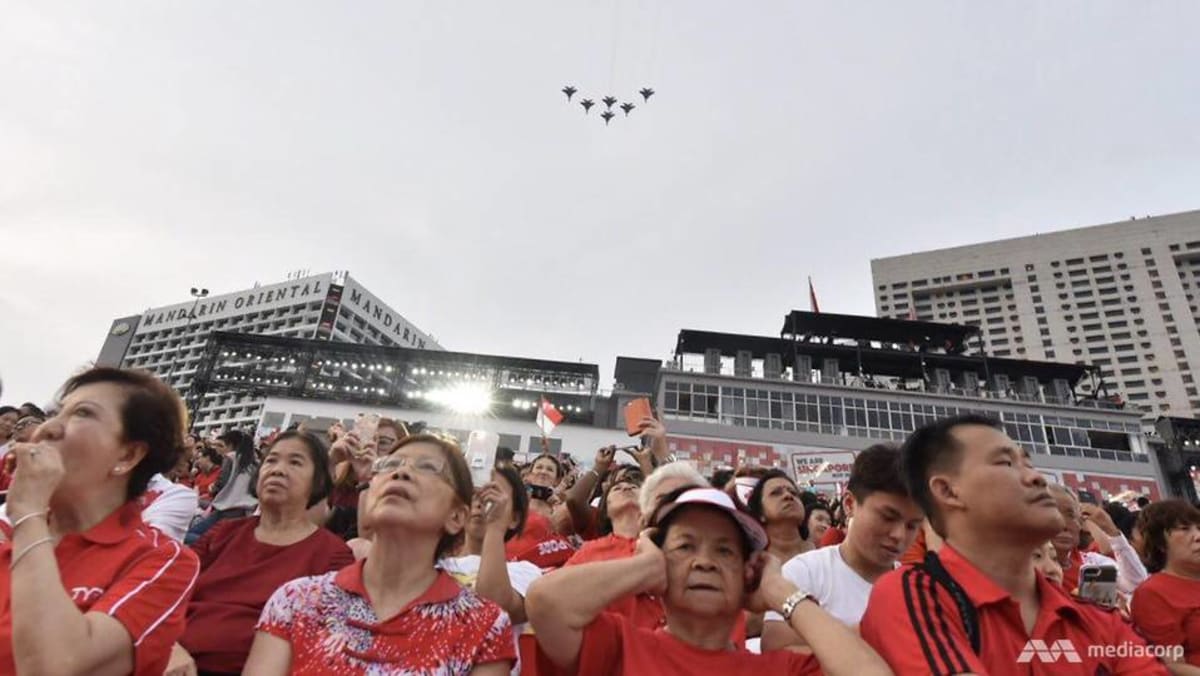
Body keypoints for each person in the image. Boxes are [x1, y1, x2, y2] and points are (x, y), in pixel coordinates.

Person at [860, 414, 1167, 675]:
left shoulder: (1098, 619)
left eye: (1029, 463)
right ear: (947, 491)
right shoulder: (916, 594)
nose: (1036, 478)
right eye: (1006, 462)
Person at [525, 486, 892, 676]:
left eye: (725, 551)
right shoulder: (620, 646)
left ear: (749, 573)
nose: (704, 562)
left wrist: (780, 590)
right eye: (685, 547)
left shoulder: (778, 670)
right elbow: (546, 603)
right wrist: (646, 567)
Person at [244, 433, 516, 675]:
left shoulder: (484, 625)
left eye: (428, 467)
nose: (401, 472)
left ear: (456, 517)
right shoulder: (296, 601)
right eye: (389, 464)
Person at [0, 367, 200, 675]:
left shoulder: (163, 561)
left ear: (127, 456)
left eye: (82, 413)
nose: (48, 428)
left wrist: (29, 512)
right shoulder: (8, 540)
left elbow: (51, 665)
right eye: (56, 413)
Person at [169, 430, 353, 675]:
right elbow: (169, 592)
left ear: (318, 481)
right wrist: (170, 647)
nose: (277, 470)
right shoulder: (223, 532)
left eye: (295, 462)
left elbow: (328, 641)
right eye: (271, 460)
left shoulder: (333, 556)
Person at [762, 443, 924, 652]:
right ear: (849, 504)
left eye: (912, 526)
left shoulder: (919, 591)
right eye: (887, 517)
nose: (899, 535)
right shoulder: (804, 573)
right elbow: (776, 650)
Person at [442, 463, 542, 676]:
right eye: (475, 494)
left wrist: (495, 527)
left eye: (494, 493)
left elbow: (492, 611)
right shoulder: (434, 565)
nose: (481, 501)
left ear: (514, 518)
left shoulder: (524, 572)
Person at [1130, 499, 1200, 672]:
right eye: (1184, 529)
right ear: (1160, 543)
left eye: (1199, 528)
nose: (1198, 536)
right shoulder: (1152, 593)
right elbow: (1172, 665)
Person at [1047, 483, 1148, 598]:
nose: (1063, 524)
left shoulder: (1092, 565)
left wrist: (1113, 533)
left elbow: (1135, 585)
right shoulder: (1031, 570)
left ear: (1080, 523)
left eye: (1070, 515)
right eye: (1052, 513)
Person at [185, 429, 259, 544]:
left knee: (190, 536)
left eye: (222, 445)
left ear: (231, 445)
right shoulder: (255, 464)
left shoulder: (231, 457)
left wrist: (213, 488)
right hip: (245, 510)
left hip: (226, 506)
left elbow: (222, 482)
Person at [506, 452, 576, 568]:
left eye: (550, 469)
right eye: (539, 467)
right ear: (529, 475)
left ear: (557, 480)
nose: (543, 472)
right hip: (509, 565)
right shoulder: (514, 502)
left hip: (543, 570)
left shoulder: (562, 510)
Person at [746, 469, 811, 563]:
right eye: (776, 493)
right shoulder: (753, 563)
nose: (788, 495)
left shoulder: (824, 552)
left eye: (794, 493)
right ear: (760, 512)